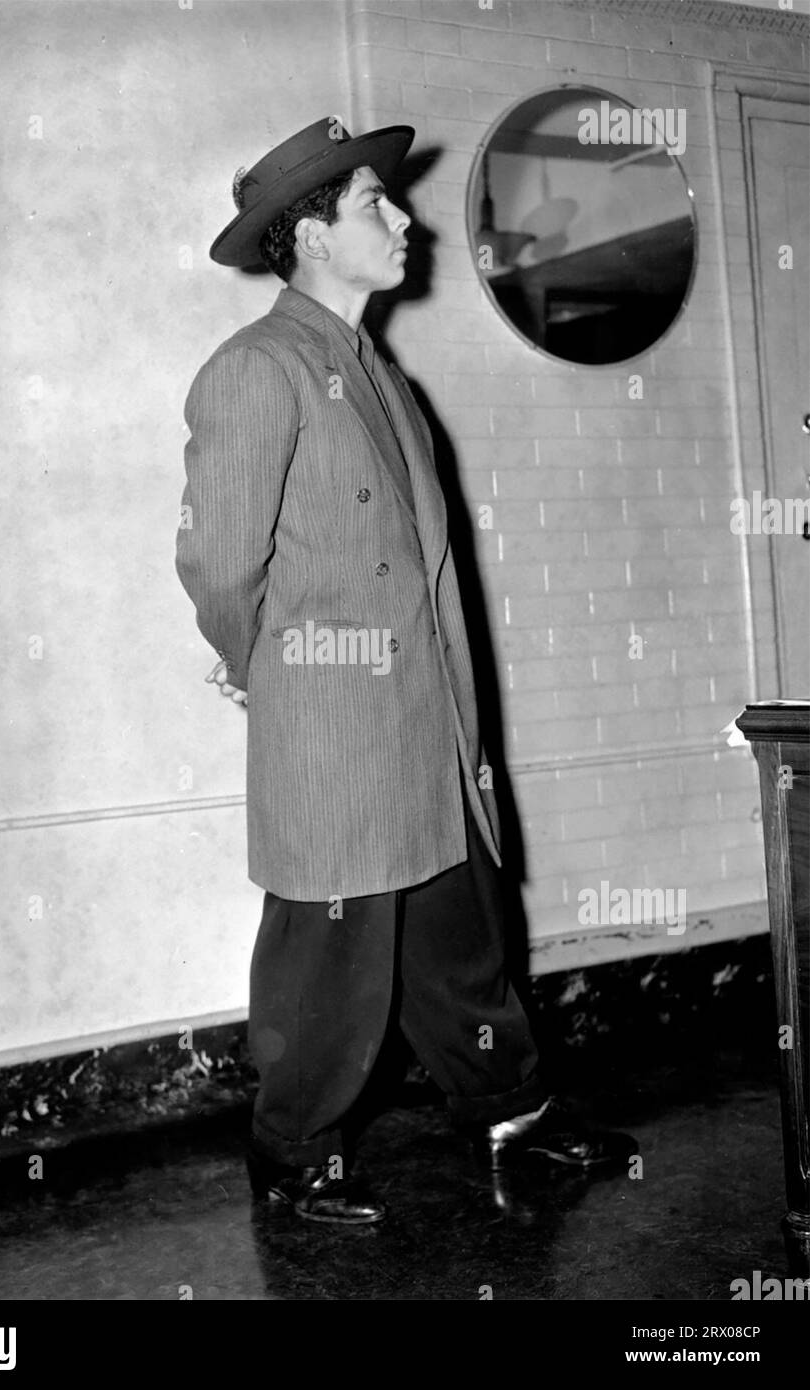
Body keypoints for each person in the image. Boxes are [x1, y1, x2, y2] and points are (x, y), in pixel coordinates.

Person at [175, 118, 633, 1225]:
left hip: (430, 720)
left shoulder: (380, 374)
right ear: (311, 236)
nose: (405, 219)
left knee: (458, 934)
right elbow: (217, 562)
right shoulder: (256, 369)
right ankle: (294, 1151)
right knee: (329, 958)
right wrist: (275, 675)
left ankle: (511, 1103)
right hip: (336, 723)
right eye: (376, 203)